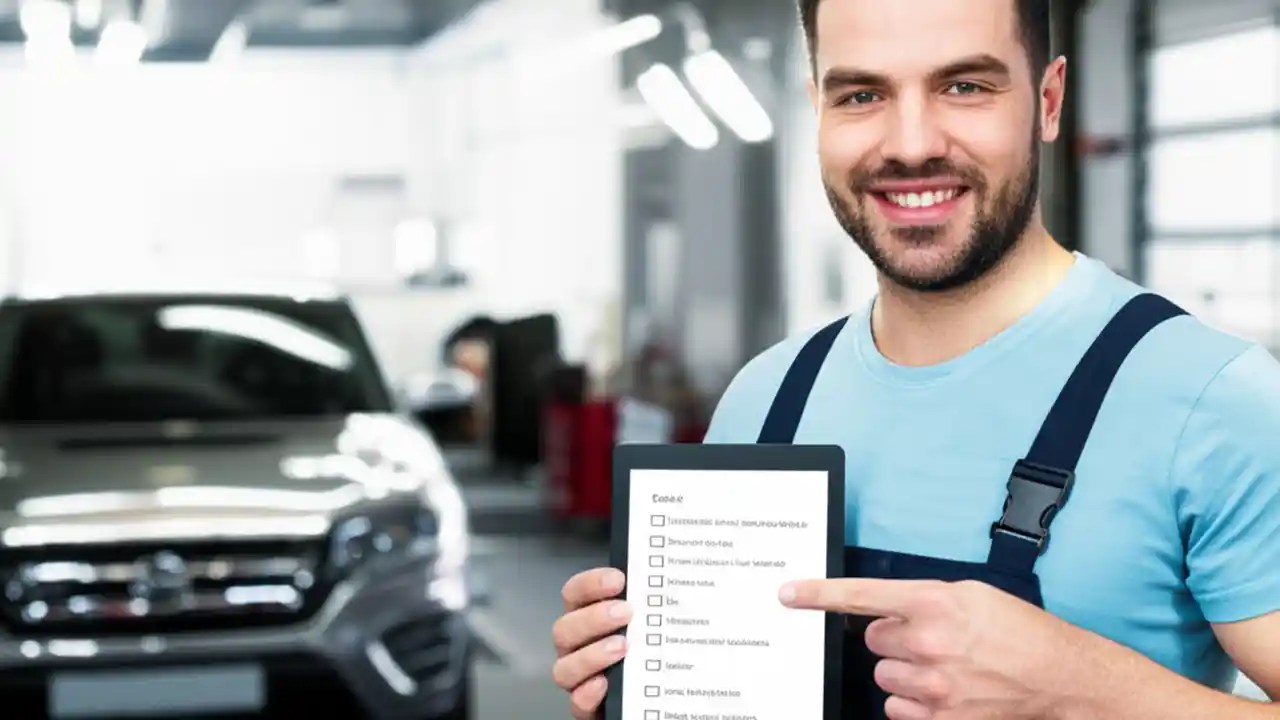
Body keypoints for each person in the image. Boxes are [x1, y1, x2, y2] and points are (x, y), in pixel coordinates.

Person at [550, 0, 1280, 717]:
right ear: (819, 112)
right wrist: (641, 691)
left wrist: (1086, 690)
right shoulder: (765, 401)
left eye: (964, 86)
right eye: (862, 95)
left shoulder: (1213, 399)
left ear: (1048, 102)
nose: (910, 144)